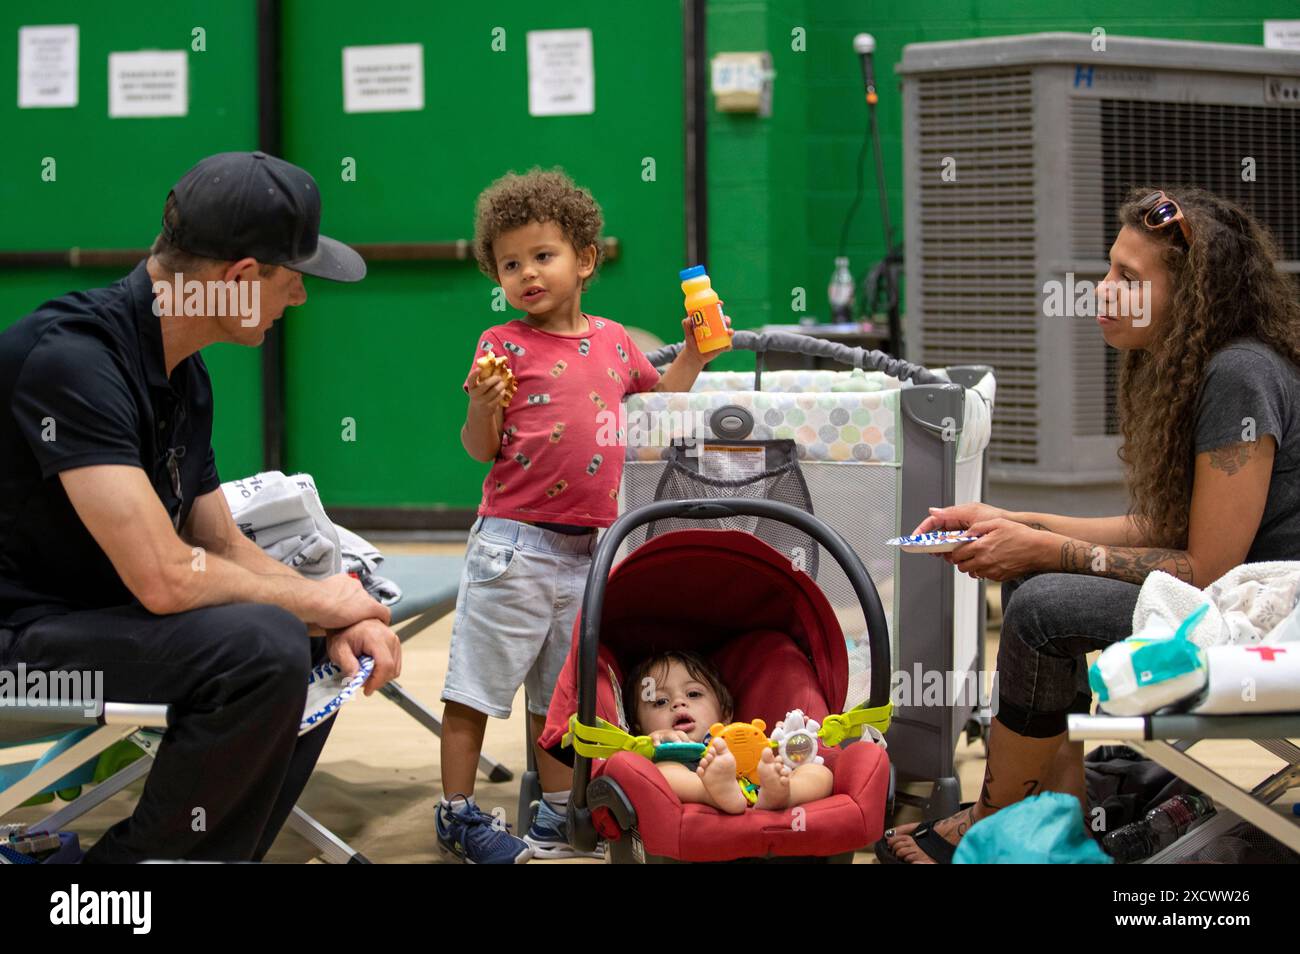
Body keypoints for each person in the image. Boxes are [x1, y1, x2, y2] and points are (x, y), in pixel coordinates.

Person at [0, 151, 402, 863]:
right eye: (293, 280)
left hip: (83, 623)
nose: (300, 300)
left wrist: (339, 610)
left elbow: (219, 545)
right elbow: (166, 577)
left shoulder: (183, 372)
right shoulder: (73, 361)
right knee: (261, 645)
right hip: (20, 651)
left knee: (298, 631)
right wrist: (314, 605)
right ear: (241, 281)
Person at [880, 187, 1300, 863]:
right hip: (1236, 598)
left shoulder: (1240, 377)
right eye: (1109, 270)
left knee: (1042, 602)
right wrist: (1014, 522)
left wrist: (1045, 548)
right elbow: (1160, 526)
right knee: (1033, 583)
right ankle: (1057, 807)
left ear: (1190, 294)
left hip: (1272, 614)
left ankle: (1001, 818)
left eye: (1128, 279)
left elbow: (1210, 571)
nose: (1101, 292)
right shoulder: (1194, 366)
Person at [436, 167, 732, 863]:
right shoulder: (500, 347)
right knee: (474, 688)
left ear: (586, 260)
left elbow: (660, 399)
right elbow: (480, 449)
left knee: (561, 699)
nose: (527, 275)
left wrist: (696, 350)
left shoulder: (614, 342)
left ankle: (556, 814)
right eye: (510, 264)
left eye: (543, 256)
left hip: (588, 553)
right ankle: (456, 812)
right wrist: (483, 402)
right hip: (513, 546)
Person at [623, 650, 833, 814]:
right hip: (699, 783)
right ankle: (711, 793)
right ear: (638, 725)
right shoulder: (657, 747)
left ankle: (783, 795)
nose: (678, 703)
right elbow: (637, 764)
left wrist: (786, 748)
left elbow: (774, 755)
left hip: (758, 784)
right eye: (660, 701)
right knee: (659, 773)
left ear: (725, 712)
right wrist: (654, 744)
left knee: (819, 773)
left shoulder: (743, 735)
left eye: (693, 694)